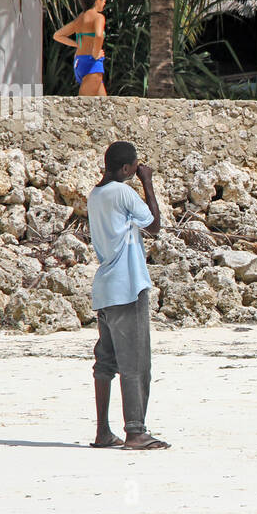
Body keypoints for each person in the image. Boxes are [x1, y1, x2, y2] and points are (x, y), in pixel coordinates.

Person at [87, 141, 168, 450]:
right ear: (125, 169)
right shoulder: (123, 192)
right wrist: (147, 181)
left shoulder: (96, 195)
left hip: (105, 286)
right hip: (128, 287)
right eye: (134, 166)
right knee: (135, 363)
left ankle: (103, 432)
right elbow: (155, 225)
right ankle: (136, 431)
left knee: (105, 363)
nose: (137, 169)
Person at [54, 0, 108, 96]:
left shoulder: (80, 18)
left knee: (104, 107)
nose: (104, 2)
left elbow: (58, 35)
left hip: (79, 62)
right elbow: (99, 35)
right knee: (83, 108)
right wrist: (95, 53)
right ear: (97, 0)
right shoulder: (99, 17)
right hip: (92, 64)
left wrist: (76, 44)